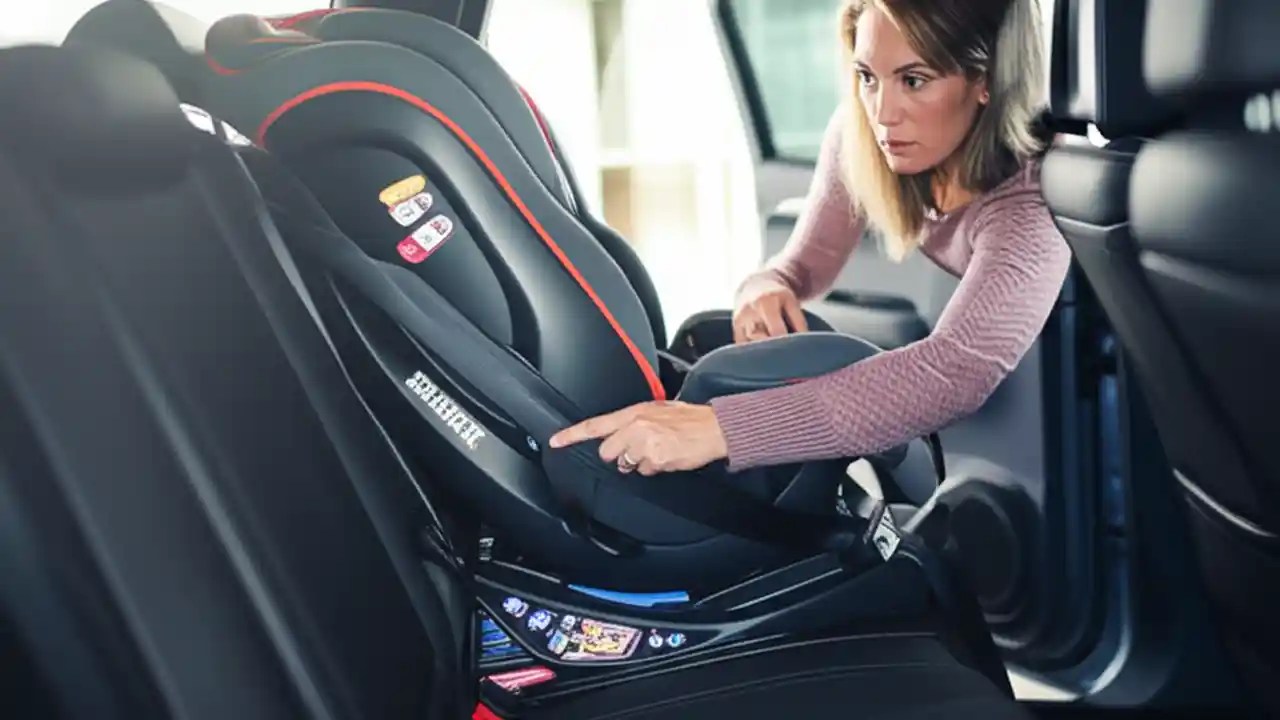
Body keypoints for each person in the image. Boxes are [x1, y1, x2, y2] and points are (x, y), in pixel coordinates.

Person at [549, 0, 1069, 478]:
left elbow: (952, 371)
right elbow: (801, 267)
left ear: (987, 80)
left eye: (914, 80)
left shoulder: (1029, 202)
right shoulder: (863, 135)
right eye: (868, 76)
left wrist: (721, 429)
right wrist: (763, 289)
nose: (883, 113)